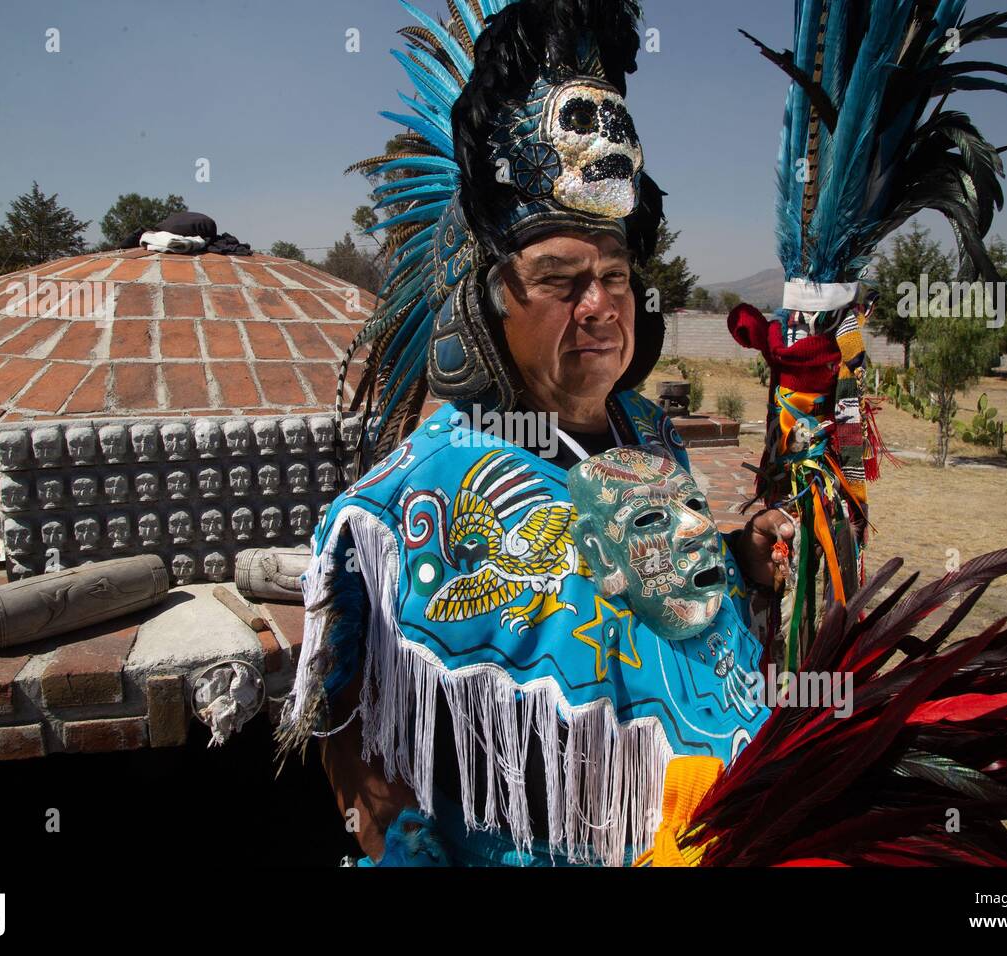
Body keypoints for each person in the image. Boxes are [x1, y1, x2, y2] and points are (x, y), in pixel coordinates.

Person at [278, 0, 791, 866]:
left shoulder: (649, 435)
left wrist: (738, 558)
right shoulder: (406, 505)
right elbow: (351, 739)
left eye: (616, 277)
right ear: (488, 304)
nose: (599, 308)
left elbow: (663, 593)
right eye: (559, 280)